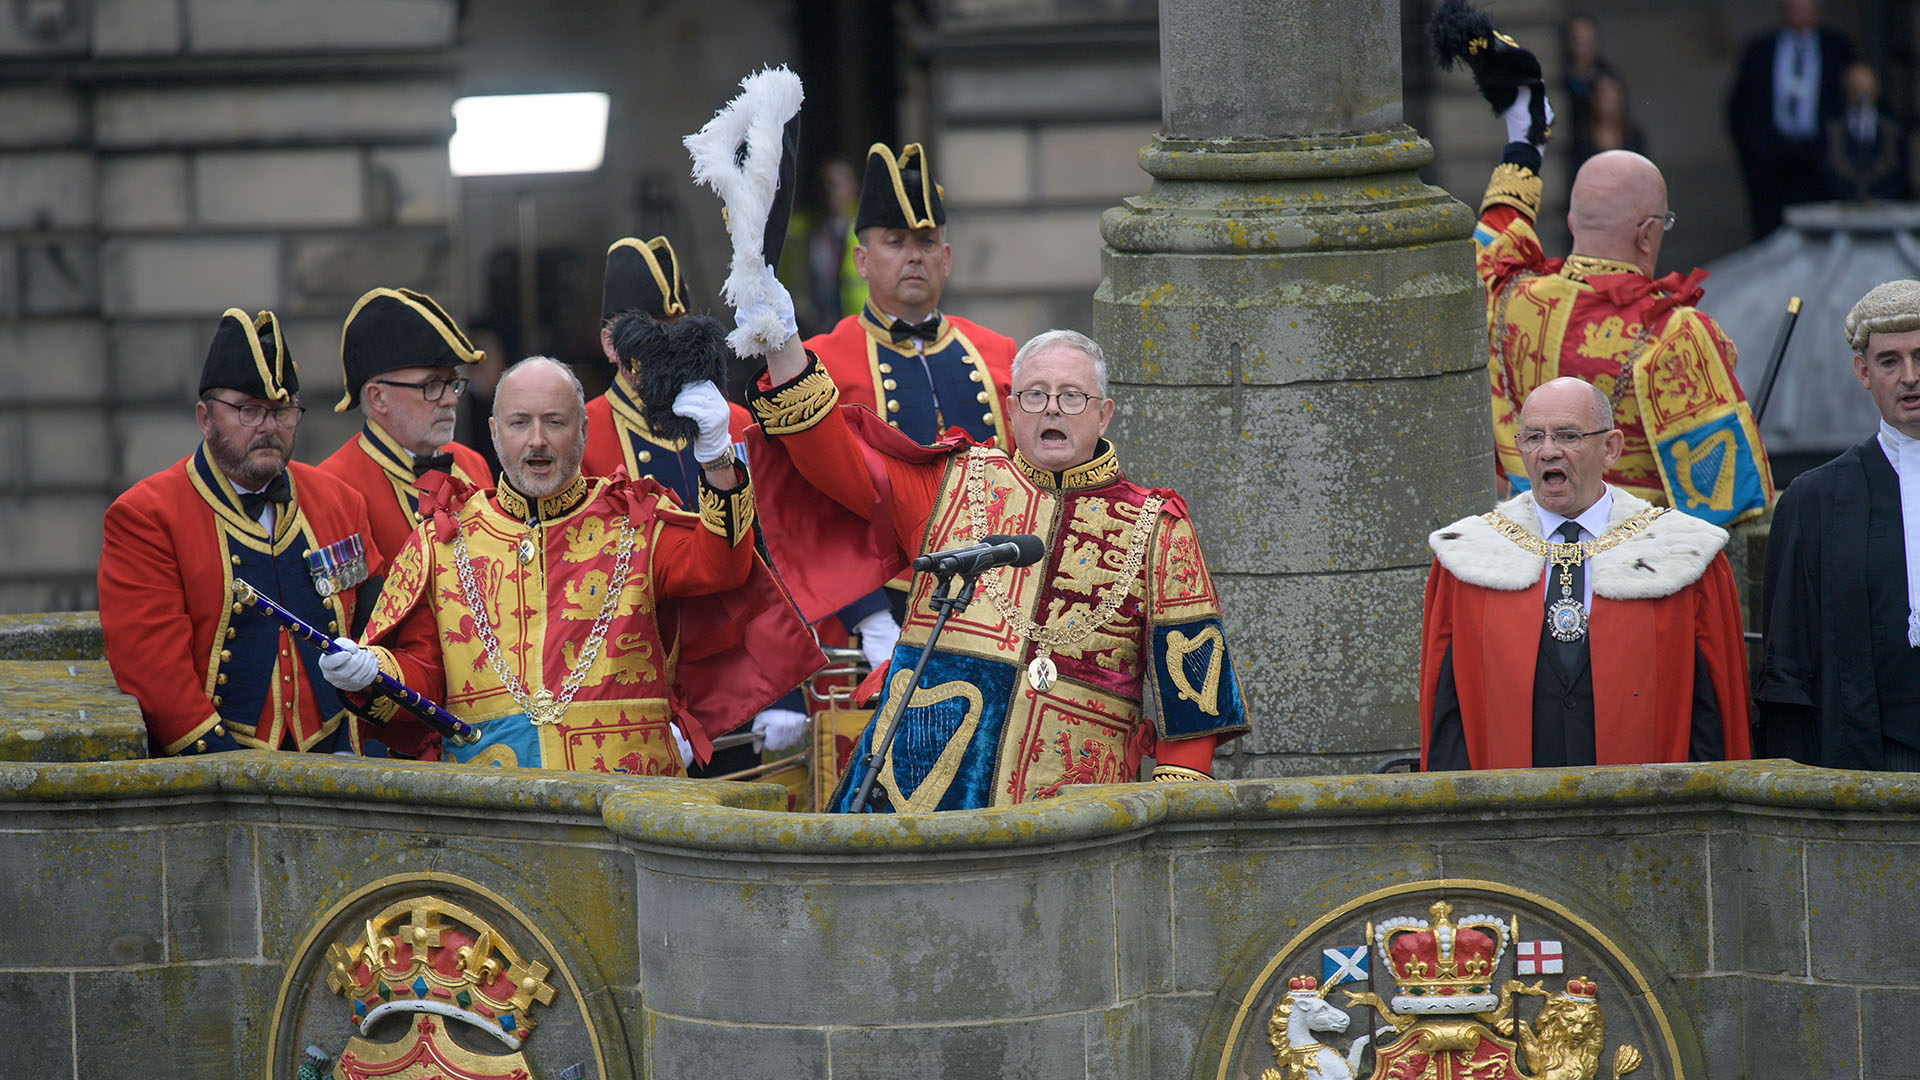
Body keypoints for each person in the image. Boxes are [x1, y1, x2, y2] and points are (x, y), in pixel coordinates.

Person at [747, 323, 1250, 812]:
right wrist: (781, 339)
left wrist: (1170, 828)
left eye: (1072, 395)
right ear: (1011, 410)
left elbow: (1195, 706)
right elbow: (833, 456)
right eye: (1035, 395)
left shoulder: (1158, 525)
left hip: (1077, 821)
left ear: (1104, 415)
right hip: (920, 800)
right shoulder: (952, 482)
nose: (1052, 408)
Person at [319, 356, 822, 773]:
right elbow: (425, 675)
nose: (536, 440)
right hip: (498, 817)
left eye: (554, 422)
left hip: (629, 807)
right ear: (494, 433)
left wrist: (715, 461)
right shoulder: (441, 542)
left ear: (582, 430)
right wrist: (373, 671)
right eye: (520, 423)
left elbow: (722, 566)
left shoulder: (637, 521)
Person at [1474, 77, 1772, 528]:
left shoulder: (1508, 297)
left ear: (1573, 222)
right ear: (1647, 232)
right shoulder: (1676, 334)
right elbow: (1724, 500)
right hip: (1632, 576)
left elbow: (1493, 239)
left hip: (1529, 553)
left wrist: (1523, 146)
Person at [1420, 378, 1753, 770]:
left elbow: (1715, 713)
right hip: (1511, 815)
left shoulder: (1683, 553)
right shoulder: (1470, 557)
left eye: (1568, 436)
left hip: (1646, 815)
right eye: (1532, 438)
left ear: (1610, 448)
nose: (1547, 452)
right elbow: (1447, 718)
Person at [99, 309, 383, 757]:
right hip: (219, 774)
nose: (269, 427)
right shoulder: (146, 516)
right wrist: (233, 773)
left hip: (339, 760)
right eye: (249, 410)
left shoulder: (341, 502)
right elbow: (155, 674)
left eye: (282, 411)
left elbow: (381, 631)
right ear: (205, 418)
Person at [1757, 280, 1920, 770]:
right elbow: (1787, 667)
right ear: (1863, 372)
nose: (1910, 376)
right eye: (1890, 361)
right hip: (1876, 758)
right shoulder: (1815, 501)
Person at [805, 142, 1018, 449]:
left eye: (927, 242)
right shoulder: (821, 366)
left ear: (946, 259)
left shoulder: (1000, 353)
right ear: (861, 261)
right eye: (895, 242)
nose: (915, 256)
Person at [318, 287, 492, 570]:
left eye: (453, 384)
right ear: (378, 397)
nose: (450, 400)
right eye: (432, 386)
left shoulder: (471, 463)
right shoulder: (334, 485)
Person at [582, 236, 751, 502]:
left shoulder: (737, 422)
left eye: (678, 330)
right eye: (651, 333)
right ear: (609, 344)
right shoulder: (582, 437)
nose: (669, 348)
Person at [1728, 0, 1855, 239]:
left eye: (1807, 8)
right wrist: (1755, 150)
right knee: (1770, 227)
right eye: (1796, 8)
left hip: (1821, 153)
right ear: (1784, 11)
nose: (1802, 15)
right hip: (1773, 155)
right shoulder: (1759, 49)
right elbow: (1740, 107)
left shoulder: (1836, 47)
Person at [1820, 61, 1910, 202]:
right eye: (1856, 91)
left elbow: (1899, 170)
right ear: (1846, 92)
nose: (1862, 99)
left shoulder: (1891, 130)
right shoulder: (1832, 129)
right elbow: (1829, 169)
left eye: (1867, 92)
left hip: (1884, 205)